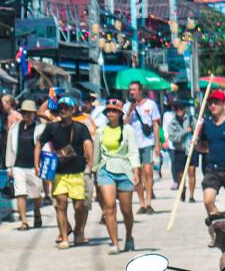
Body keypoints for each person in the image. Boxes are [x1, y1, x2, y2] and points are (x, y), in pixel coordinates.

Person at [35, 94, 93, 248]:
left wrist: (91, 162)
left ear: (73, 110)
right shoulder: (52, 127)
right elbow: (39, 144)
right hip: (59, 173)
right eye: (60, 108)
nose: (63, 110)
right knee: (60, 204)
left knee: (79, 206)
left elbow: (88, 143)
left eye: (66, 108)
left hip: (77, 173)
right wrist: (36, 164)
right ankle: (65, 238)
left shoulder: (81, 127)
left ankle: (78, 231)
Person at [95, 98, 137, 254]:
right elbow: (96, 153)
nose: (111, 113)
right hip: (105, 170)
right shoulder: (100, 131)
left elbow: (133, 152)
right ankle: (114, 242)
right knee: (109, 207)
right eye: (109, 111)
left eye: (114, 110)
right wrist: (95, 171)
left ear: (120, 113)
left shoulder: (128, 130)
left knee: (126, 210)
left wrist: (136, 171)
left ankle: (129, 236)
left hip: (125, 171)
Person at [5, 98, 44, 229]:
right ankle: (24, 221)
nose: (27, 115)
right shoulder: (14, 128)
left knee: (37, 194)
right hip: (18, 166)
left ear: (34, 114)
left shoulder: (40, 128)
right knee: (20, 193)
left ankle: (37, 212)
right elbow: (10, 148)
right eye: (25, 112)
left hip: (34, 166)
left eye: (30, 112)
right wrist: (9, 167)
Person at [124, 81, 161, 214]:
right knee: (136, 174)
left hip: (147, 143)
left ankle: (149, 201)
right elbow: (125, 124)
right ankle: (141, 203)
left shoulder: (151, 105)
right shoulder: (128, 106)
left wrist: (157, 144)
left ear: (140, 91)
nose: (131, 92)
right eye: (130, 90)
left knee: (148, 171)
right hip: (133, 144)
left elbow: (156, 125)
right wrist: (129, 111)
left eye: (134, 90)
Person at [164, 98, 196, 201]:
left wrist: (196, 138)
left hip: (190, 149)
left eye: (181, 108)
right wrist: (184, 132)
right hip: (180, 150)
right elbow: (173, 138)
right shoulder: (172, 123)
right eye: (177, 109)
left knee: (192, 172)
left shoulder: (191, 119)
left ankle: (191, 196)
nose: (179, 110)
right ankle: (183, 189)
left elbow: (197, 131)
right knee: (181, 175)